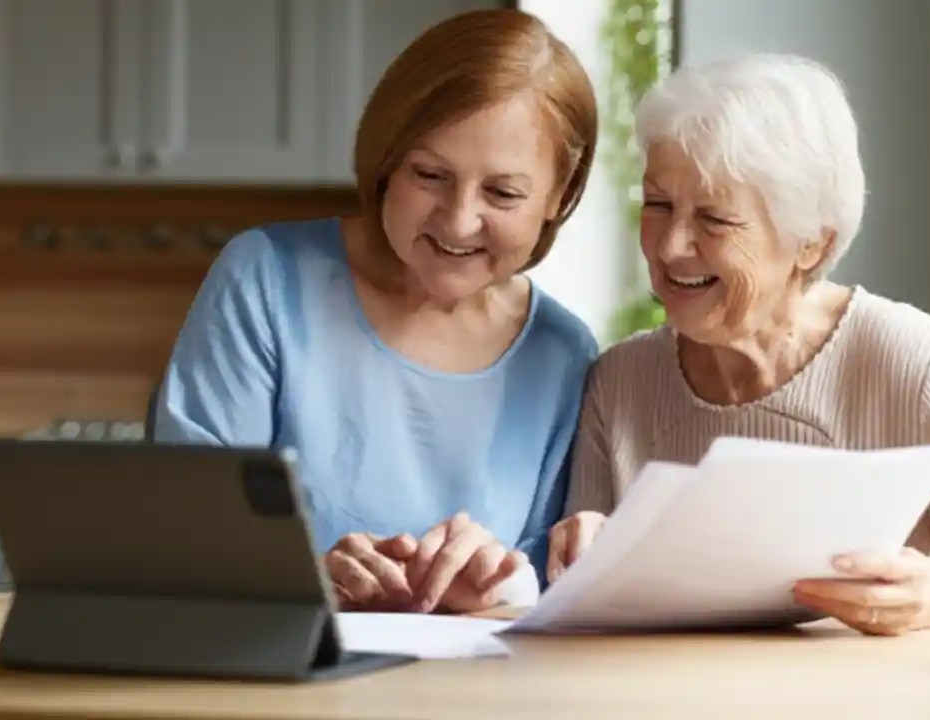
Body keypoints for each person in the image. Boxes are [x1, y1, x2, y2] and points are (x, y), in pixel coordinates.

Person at [547, 54, 930, 635]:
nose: (671, 245)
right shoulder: (621, 380)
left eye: (714, 218)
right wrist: (581, 552)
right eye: (658, 204)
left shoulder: (909, 361)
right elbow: (578, 602)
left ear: (810, 243)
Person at [153, 9, 599, 615]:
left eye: (502, 192)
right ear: (386, 160)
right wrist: (306, 577)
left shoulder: (563, 352)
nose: (460, 219)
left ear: (559, 195)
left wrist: (495, 584)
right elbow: (184, 534)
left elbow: (551, 584)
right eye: (430, 174)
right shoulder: (264, 278)